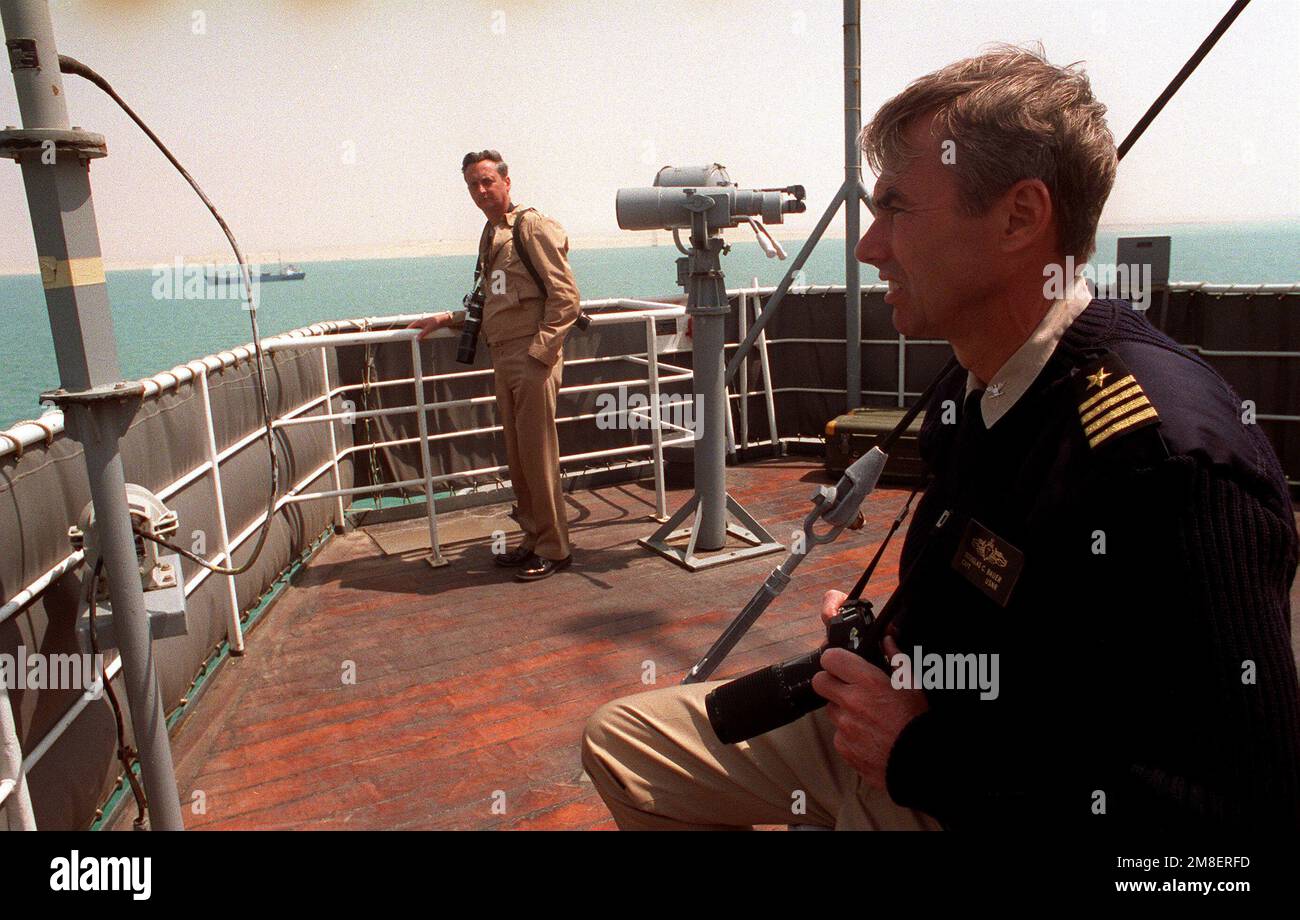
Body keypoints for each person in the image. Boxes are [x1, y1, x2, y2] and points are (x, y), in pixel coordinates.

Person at [581, 46, 1300, 830]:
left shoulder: (1167, 459)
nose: (868, 247)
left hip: (980, 787)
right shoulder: (977, 382)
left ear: (1020, 217)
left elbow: (1234, 821)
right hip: (914, 721)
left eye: (896, 209)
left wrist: (921, 759)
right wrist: (891, 640)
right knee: (623, 743)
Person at [410, 150, 581, 581]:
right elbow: (495, 302)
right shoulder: (492, 235)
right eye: (472, 184)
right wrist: (448, 319)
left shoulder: (530, 226)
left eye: (487, 181)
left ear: (506, 181)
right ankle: (532, 538)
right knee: (519, 456)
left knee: (537, 455)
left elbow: (566, 298)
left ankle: (555, 548)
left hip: (530, 356)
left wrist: (539, 355)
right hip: (504, 355)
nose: (480, 190)